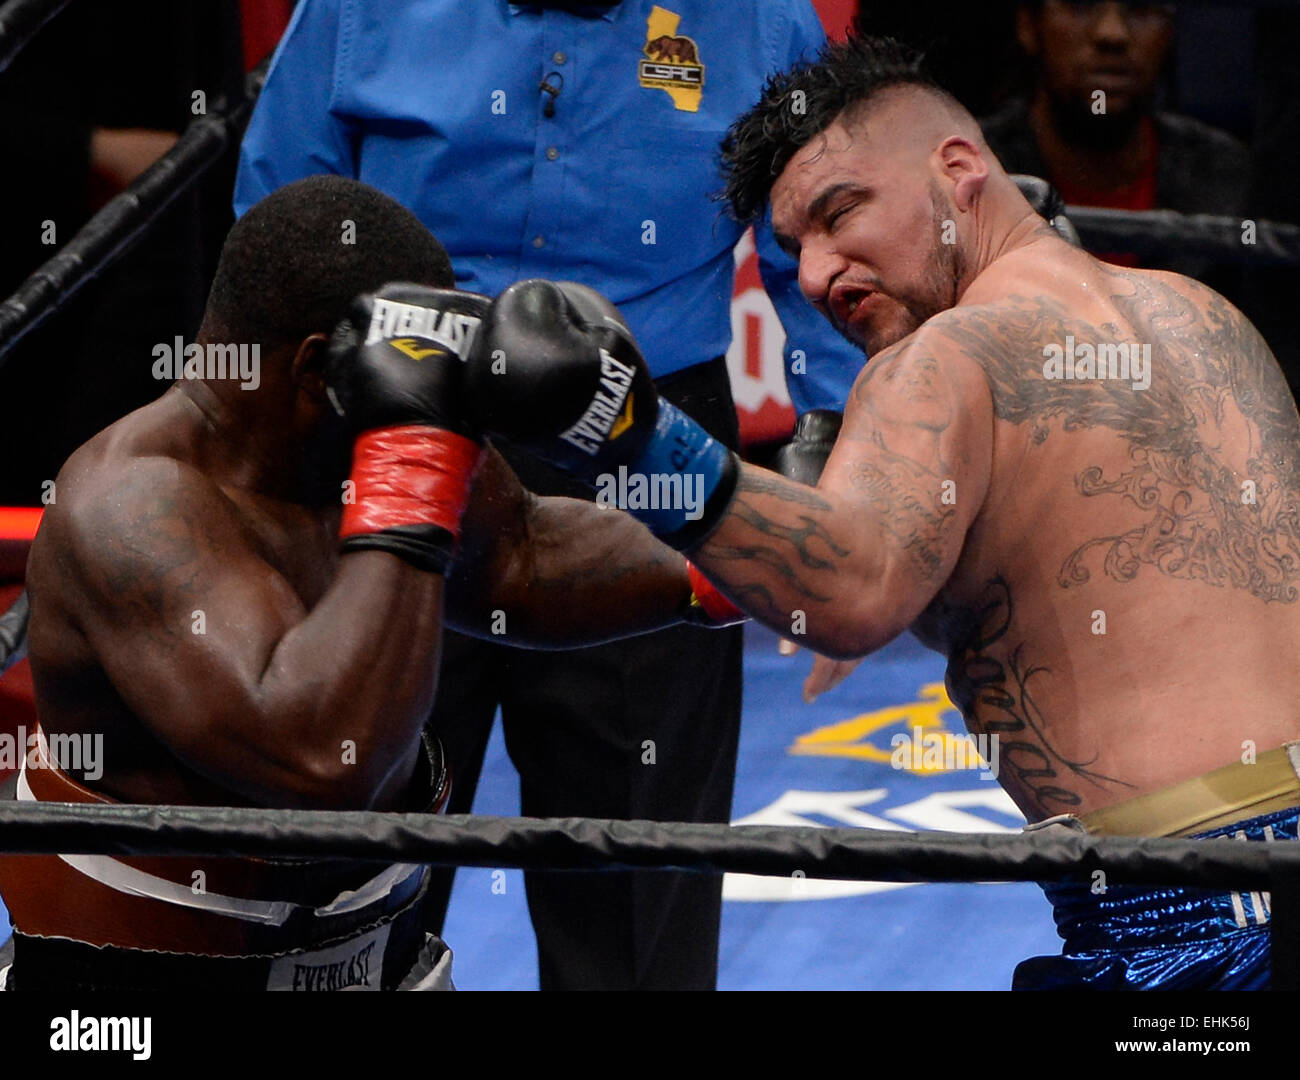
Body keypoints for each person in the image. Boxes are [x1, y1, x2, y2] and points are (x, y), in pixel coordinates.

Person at [462, 36, 1300, 990]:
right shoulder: (1200, 311)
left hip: (1197, 913)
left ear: (959, 169)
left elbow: (852, 589)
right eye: (791, 250)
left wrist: (632, 431)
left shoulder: (944, 361)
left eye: (839, 212)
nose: (817, 274)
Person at [232, 0, 863, 990]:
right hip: (398, 427)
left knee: (637, 866)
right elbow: (278, 225)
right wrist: (267, 467)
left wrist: (829, 452)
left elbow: (828, 231)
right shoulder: (359, 10)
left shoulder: (755, 19)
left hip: (649, 440)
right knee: (355, 848)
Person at [0, 175, 736, 992]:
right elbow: (320, 763)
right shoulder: (133, 508)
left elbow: (521, 557)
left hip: (383, 962)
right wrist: (414, 456)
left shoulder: (337, 454)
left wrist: (741, 560)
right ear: (320, 369)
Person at [981, 0, 1249, 276]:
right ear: (1028, 25)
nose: (1112, 33)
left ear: (1171, 31)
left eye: (1140, 8)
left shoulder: (1229, 178)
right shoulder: (971, 177)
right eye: (1080, 6)